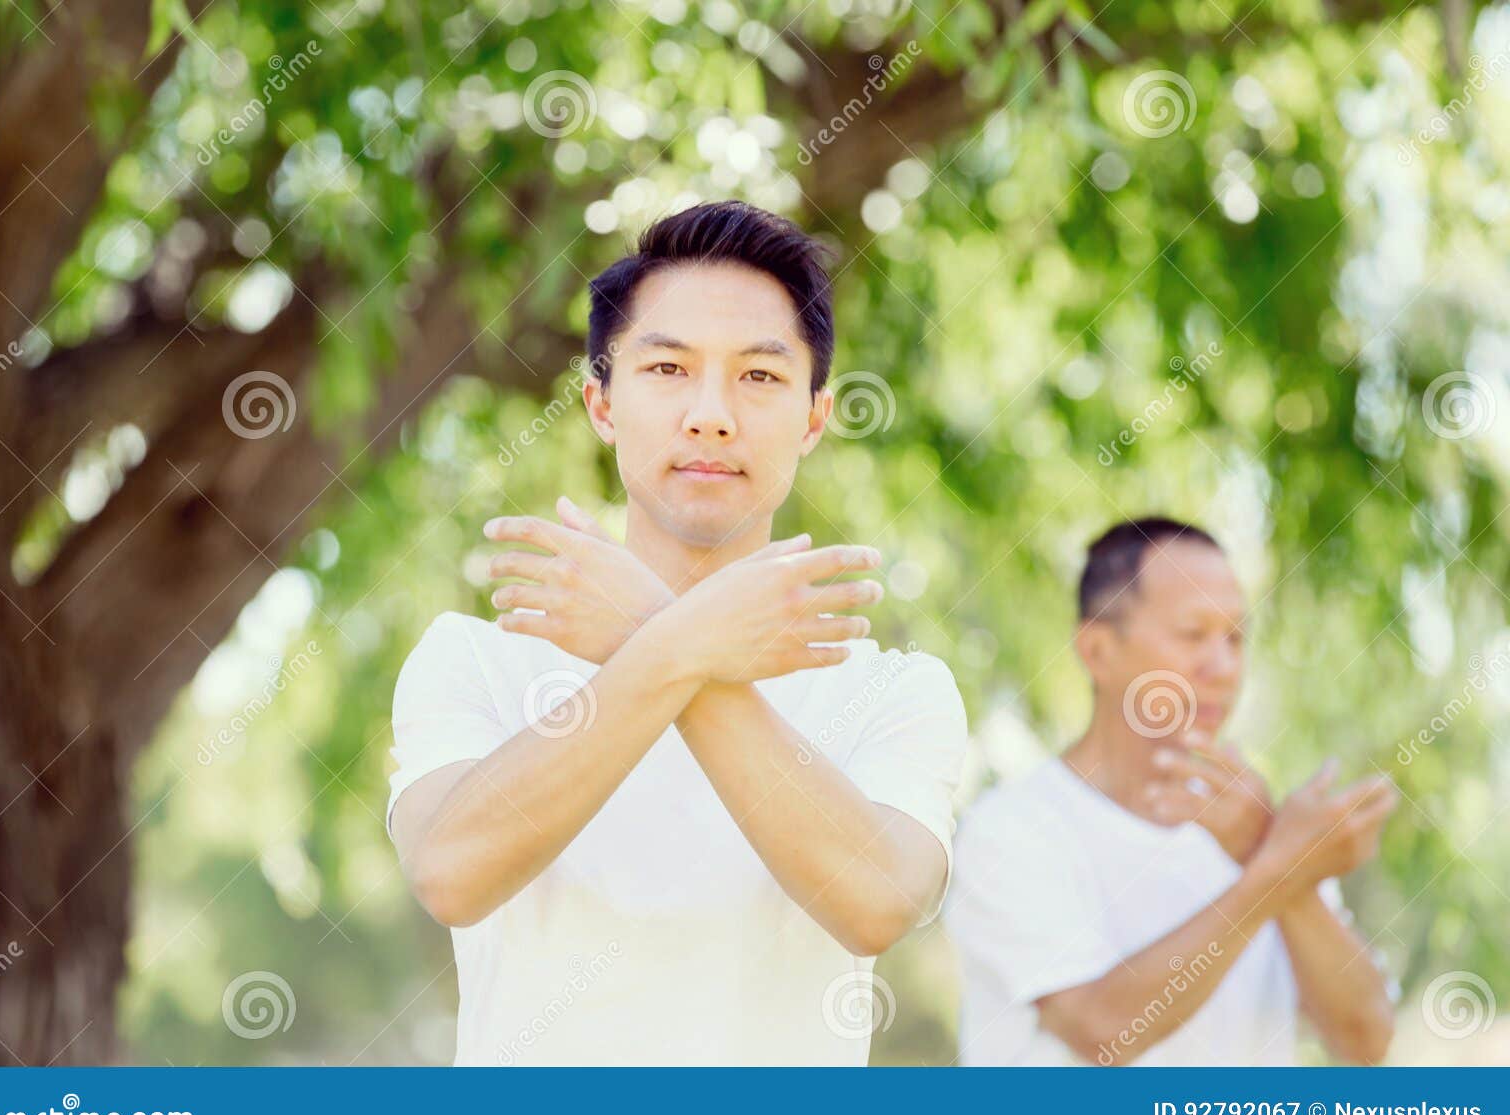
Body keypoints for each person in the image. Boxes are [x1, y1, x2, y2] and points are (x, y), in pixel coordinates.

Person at [385, 200, 967, 1065]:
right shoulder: (473, 658)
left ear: (814, 418)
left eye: (760, 376)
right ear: (601, 404)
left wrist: (651, 635)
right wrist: (679, 643)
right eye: (667, 367)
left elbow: (877, 900)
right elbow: (450, 871)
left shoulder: (893, 691)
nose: (711, 414)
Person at [946, 518, 1398, 1066]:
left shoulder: (1261, 830)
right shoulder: (1011, 829)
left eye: (1236, 638)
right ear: (1098, 651)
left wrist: (1275, 863)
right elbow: (1102, 1031)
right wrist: (1275, 870)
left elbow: (1367, 1039)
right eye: (1192, 634)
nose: (1224, 668)